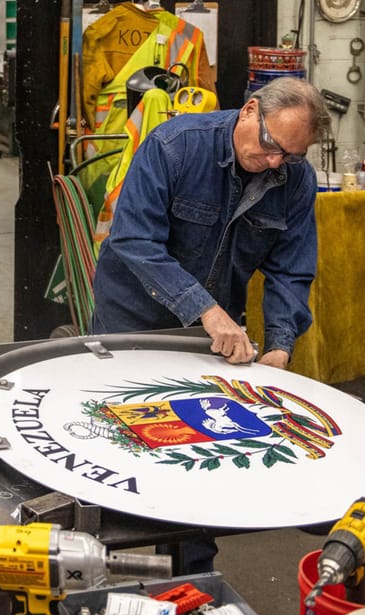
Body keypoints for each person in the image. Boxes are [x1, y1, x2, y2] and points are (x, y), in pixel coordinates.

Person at [89, 77, 331, 573]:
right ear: (249, 111)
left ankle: (190, 572)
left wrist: (280, 346)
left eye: (290, 155)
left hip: (210, 332)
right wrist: (206, 309)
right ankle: (91, 557)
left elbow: (290, 271)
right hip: (132, 318)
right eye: (271, 146)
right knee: (119, 437)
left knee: (197, 441)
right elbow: (134, 240)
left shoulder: (295, 178)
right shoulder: (175, 146)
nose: (275, 163)